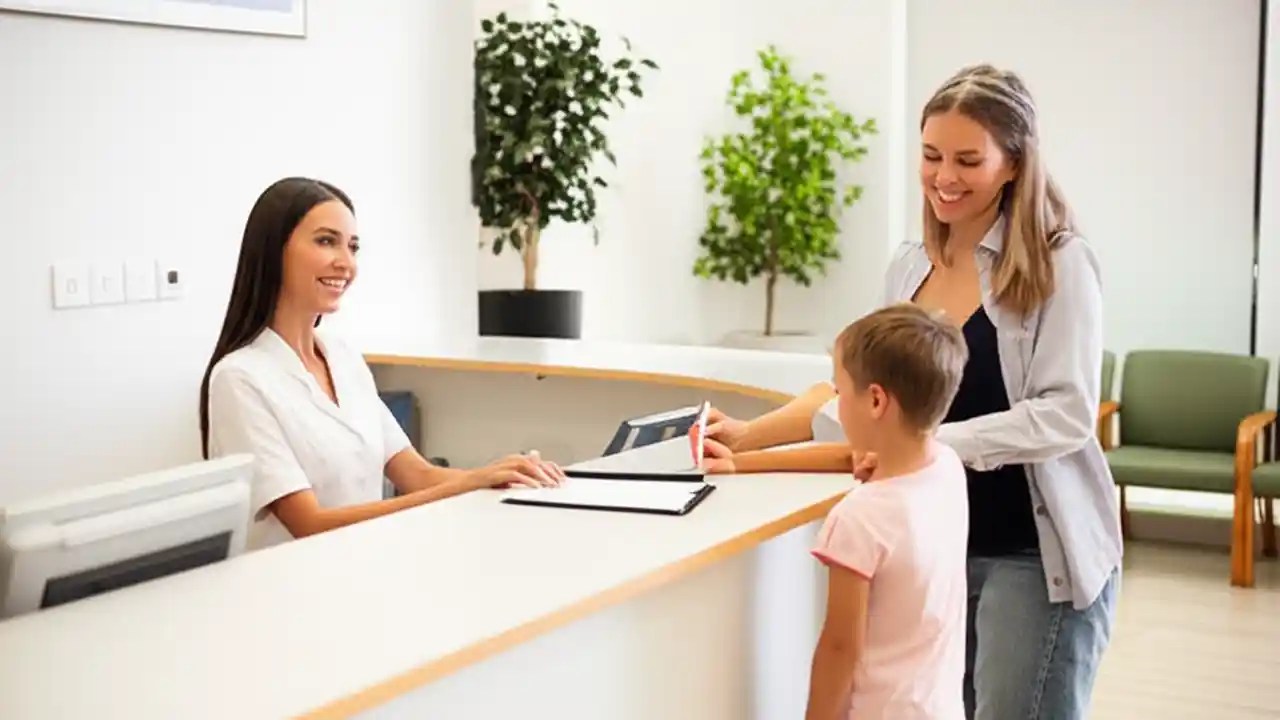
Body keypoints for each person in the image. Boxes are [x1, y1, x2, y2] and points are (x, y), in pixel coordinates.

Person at [698, 64, 1122, 720]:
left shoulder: (1058, 261)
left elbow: (1066, 415)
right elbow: (866, 395)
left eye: (967, 160)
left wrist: (929, 443)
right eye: (931, 156)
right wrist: (748, 439)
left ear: (1014, 164)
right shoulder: (909, 266)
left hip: (1032, 554)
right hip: (942, 546)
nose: (944, 176)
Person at [199, 177, 565, 551]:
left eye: (353, 247)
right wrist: (468, 485)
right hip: (298, 579)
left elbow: (417, 474)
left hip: (369, 563)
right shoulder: (239, 378)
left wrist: (499, 475)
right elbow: (310, 524)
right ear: (274, 250)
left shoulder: (342, 357)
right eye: (326, 241)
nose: (346, 263)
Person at [792, 303, 969, 720]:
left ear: (875, 400)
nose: (836, 404)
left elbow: (840, 648)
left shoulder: (859, 517)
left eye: (839, 392)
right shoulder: (948, 467)